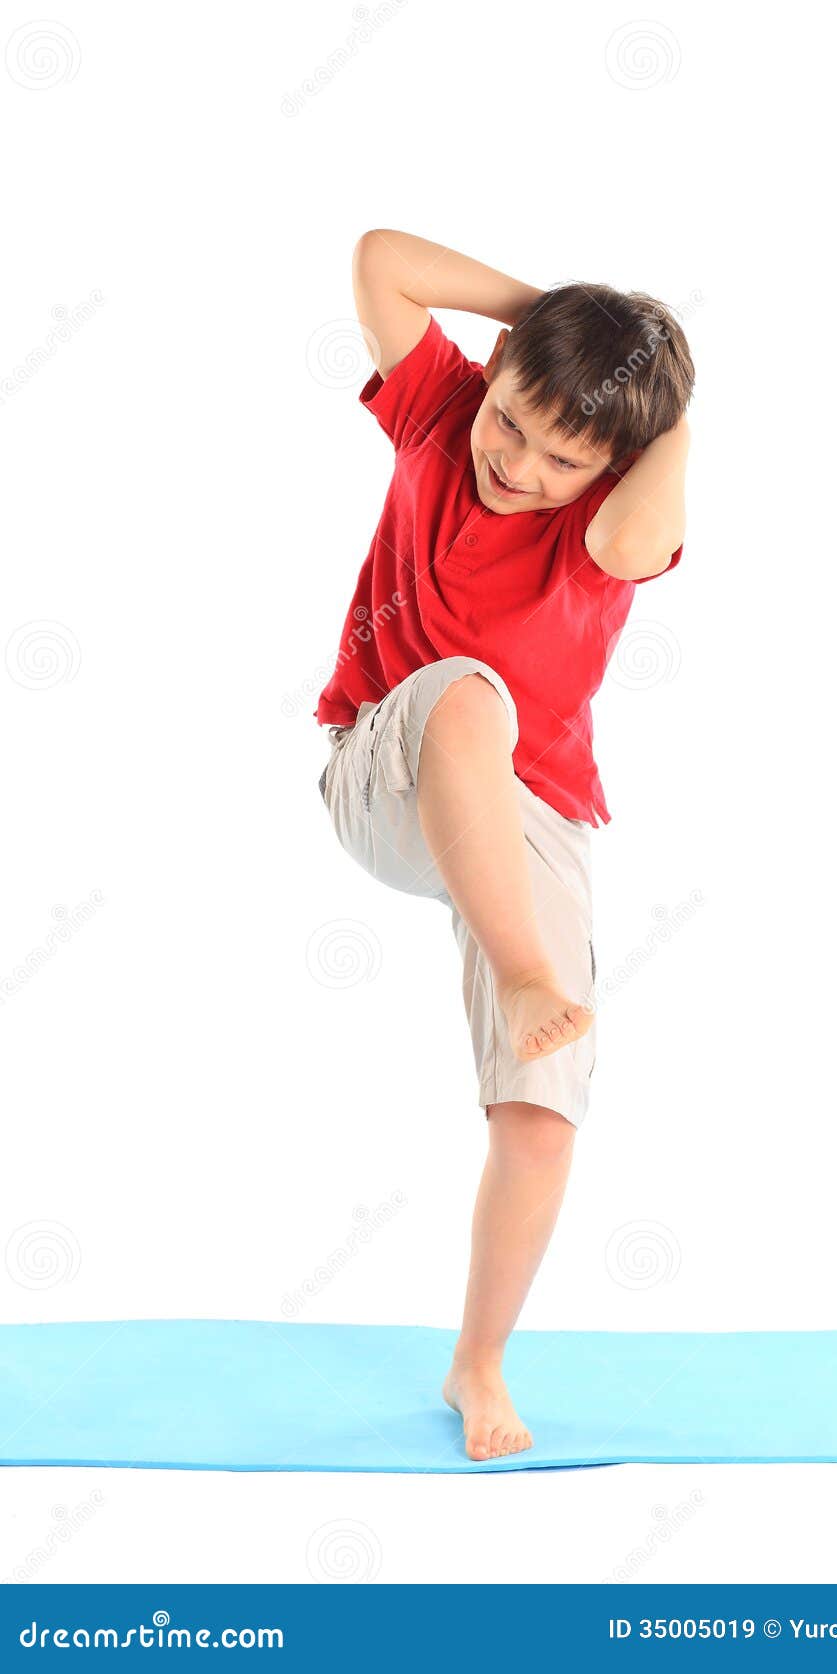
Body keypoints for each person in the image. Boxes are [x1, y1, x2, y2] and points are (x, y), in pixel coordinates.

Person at [315, 229, 694, 1461]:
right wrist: (555, 320)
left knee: (542, 1109)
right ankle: (524, 969)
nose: (519, 465)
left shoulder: (602, 531)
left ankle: (476, 1364)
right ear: (492, 377)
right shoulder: (441, 409)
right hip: (390, 757)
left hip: (532, 812)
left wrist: (661, 390)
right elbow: (381, 258)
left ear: (614, 466)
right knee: (471, 693)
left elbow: (642, 524)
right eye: (514, 425)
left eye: (567, 456)